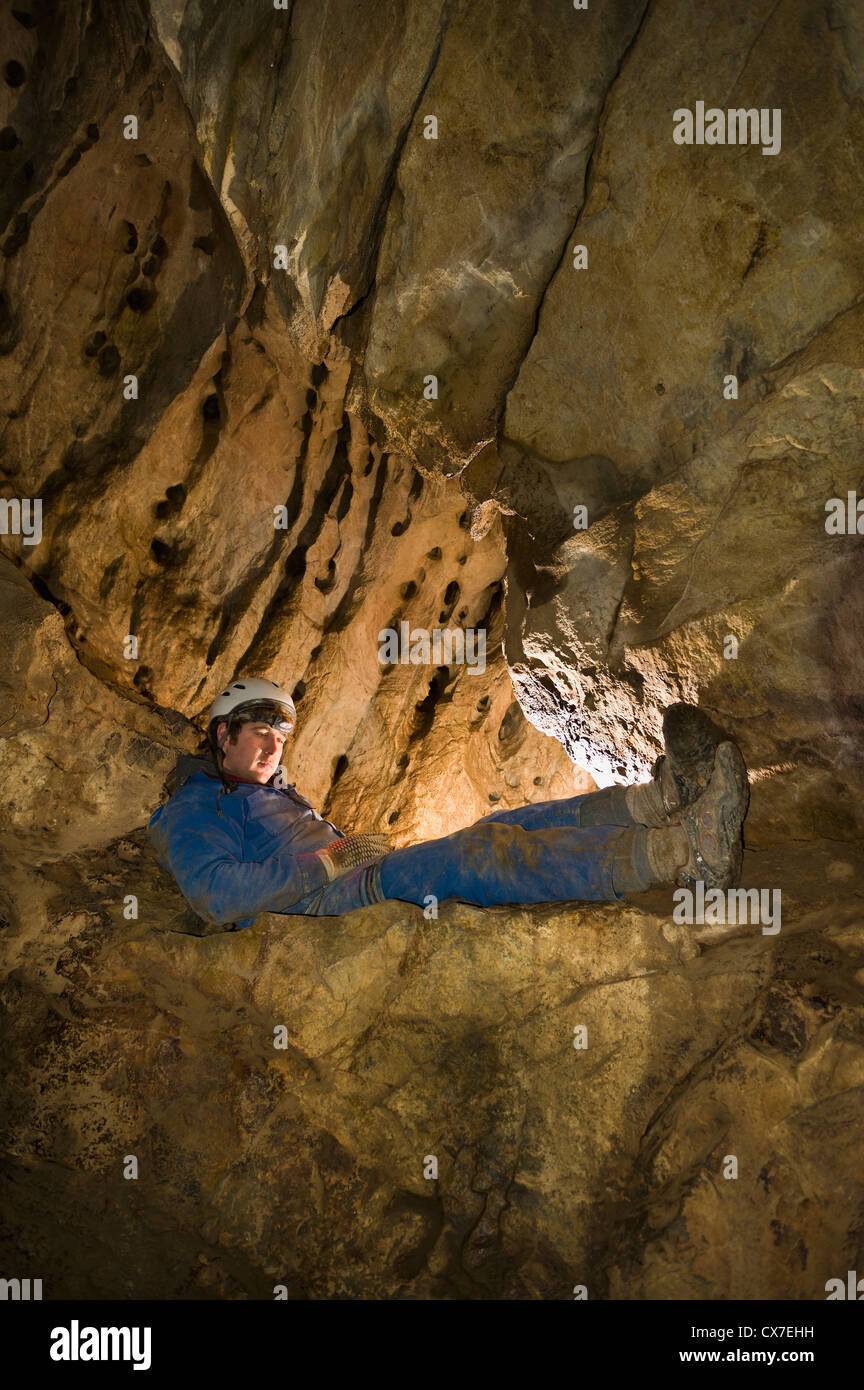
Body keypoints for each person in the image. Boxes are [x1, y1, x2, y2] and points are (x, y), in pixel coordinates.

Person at [148, 677, 750, 930]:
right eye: (258, 734)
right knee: (476, 856)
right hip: (331, 902)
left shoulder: (263, 793)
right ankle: (679, 854)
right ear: (222, 735)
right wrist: (328, 862)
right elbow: (217, 896)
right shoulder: (198, 806)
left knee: (504, 825)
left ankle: (659, 801)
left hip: (350, 879)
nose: (272, 749)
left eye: (279, 739)